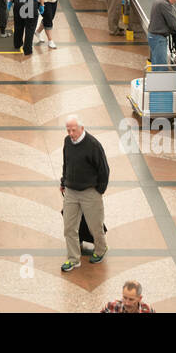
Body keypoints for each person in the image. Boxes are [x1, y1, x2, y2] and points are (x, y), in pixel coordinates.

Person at [60, 115, 110, 272]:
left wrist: (99, 190)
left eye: (73, 130)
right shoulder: (67, 142)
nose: (70, 133)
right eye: (68, 130)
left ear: (81, 128)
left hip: (90, 192)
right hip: (71, 191)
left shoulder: (93, 145)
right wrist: (64, 181)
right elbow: (66, 163)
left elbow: (104, 169)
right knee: (69, 228)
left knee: (95, 226)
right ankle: (74, 259)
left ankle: (101, 249)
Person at [146, 0, 176, 68]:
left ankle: (156, 79)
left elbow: (162, 19)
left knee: (156, 62)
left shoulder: (159, 0)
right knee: (161, 65)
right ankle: (160, 80)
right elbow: (172, 23)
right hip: (158, 38)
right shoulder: (164, 4)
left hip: (153, 36)